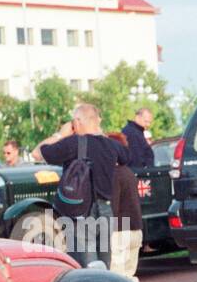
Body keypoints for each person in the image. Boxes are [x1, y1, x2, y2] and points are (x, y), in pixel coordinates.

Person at [33, 102, 128, 266]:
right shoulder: (111, 145)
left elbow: (37, 153)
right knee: (104, 266)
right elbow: (126, 157)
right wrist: (99, 130)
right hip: (105, 210)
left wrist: (60, 134)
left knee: (86, 270)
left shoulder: (73, 143)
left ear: (77, 122)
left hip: (80, 212)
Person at [106, 132, 144, 278]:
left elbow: (112, 207)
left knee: (117, 277)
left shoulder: (113, 174)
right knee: (129, 276)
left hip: (120, 231)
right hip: (135, 229)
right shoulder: (128, 172)